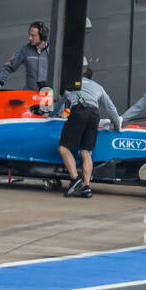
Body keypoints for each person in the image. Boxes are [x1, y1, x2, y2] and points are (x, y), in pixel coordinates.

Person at [58, 66, 121, 198]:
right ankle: (86, 187)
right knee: (85, 151)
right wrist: (117, 127)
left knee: (63, 148)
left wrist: (51, 115)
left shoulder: (71, 84)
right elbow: (111, 108)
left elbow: (59, 103)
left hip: (79, 111)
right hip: (94, 114)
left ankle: (75, 180)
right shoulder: (98, 87)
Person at [0, 21, 51, 90]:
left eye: (33, 35)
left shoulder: (53, 51)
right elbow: (8, 67)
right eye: (29, 35)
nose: (29, 38)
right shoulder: (25, 50)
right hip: (29, 95)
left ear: (42, 36)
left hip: (48, 97)